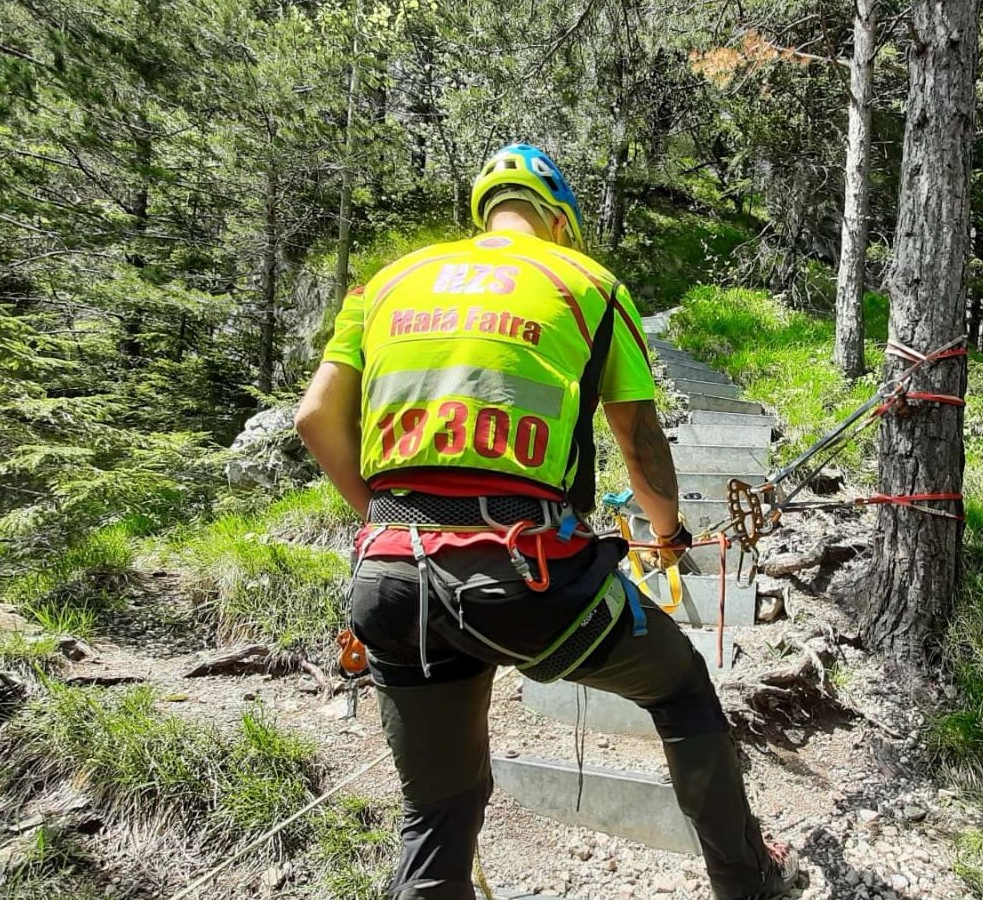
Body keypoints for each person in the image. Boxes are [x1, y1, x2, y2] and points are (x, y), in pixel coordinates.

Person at [295, 144, 795, 900]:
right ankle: (747, 882)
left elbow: (313, 418)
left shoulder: (389, 282)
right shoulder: (587, 283)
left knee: (437, 811)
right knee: (682, 689)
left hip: (391, 578)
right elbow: (639, 442)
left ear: (484, 215)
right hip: (528, 579)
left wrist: (391, 522)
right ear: (559, 220)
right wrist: (667, 535)